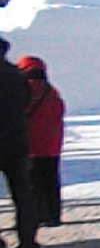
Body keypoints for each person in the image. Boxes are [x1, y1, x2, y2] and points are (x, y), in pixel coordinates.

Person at [0, 36, 39, 248]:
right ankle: (28, 244)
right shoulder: (18, 76)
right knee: (23, 196)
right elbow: (26, 103)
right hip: (17, 143)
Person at [16, 56, 65, 226]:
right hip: (52, 146)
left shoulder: (22, 91)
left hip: (30, 146)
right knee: (51, 181)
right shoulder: (52, 92)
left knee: (32, 183)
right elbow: (59, 112)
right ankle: (54, 215)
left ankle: (37, 215)